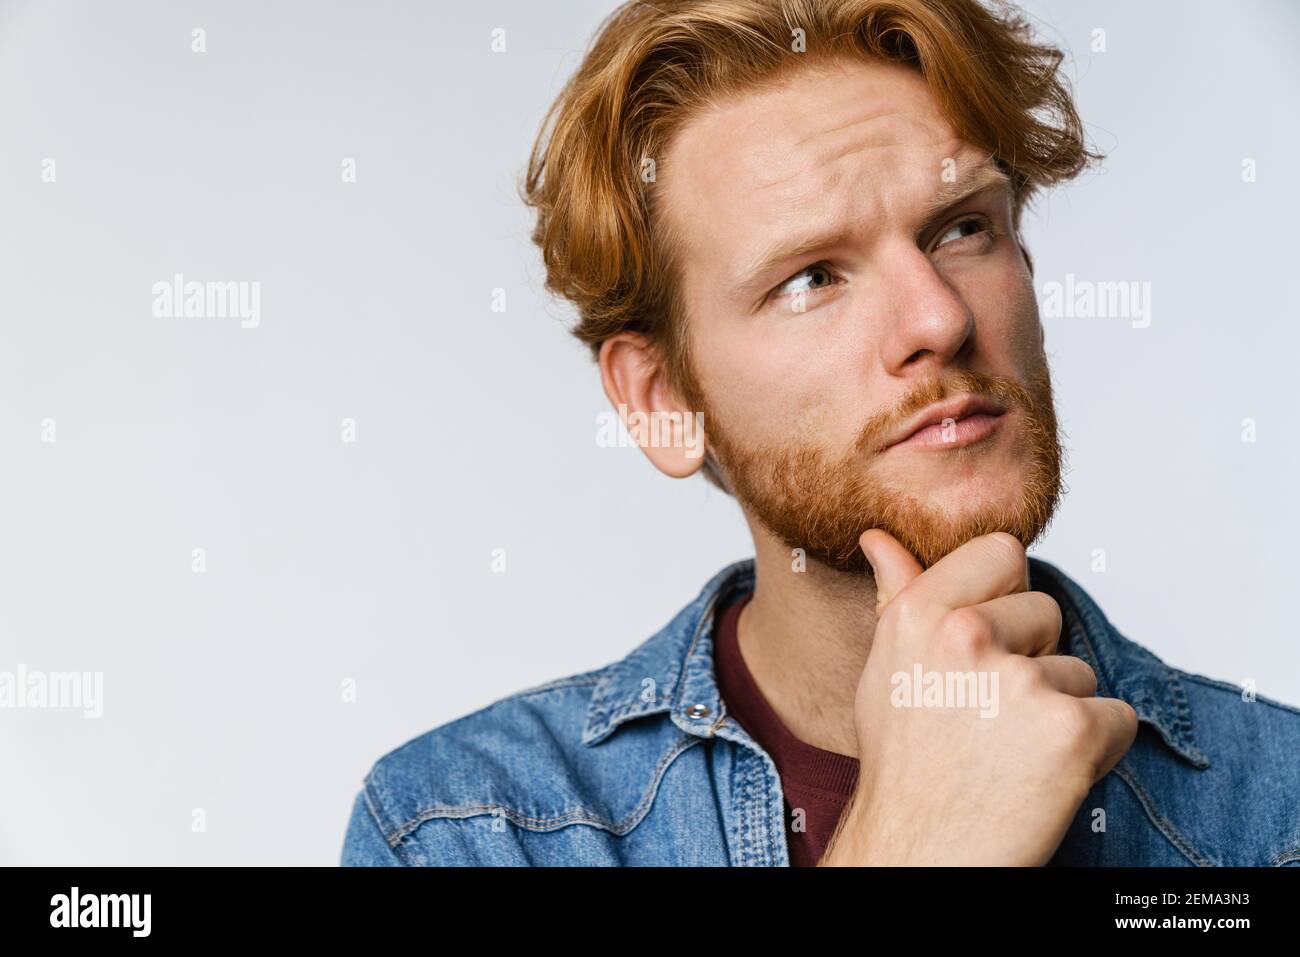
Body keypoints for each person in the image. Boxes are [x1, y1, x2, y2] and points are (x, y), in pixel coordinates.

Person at [342, 0, 1300, 866]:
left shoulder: (1278, 813)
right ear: (661, 398)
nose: (938, 319)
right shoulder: (464, 830)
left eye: (962, 229)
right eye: (811, 279)